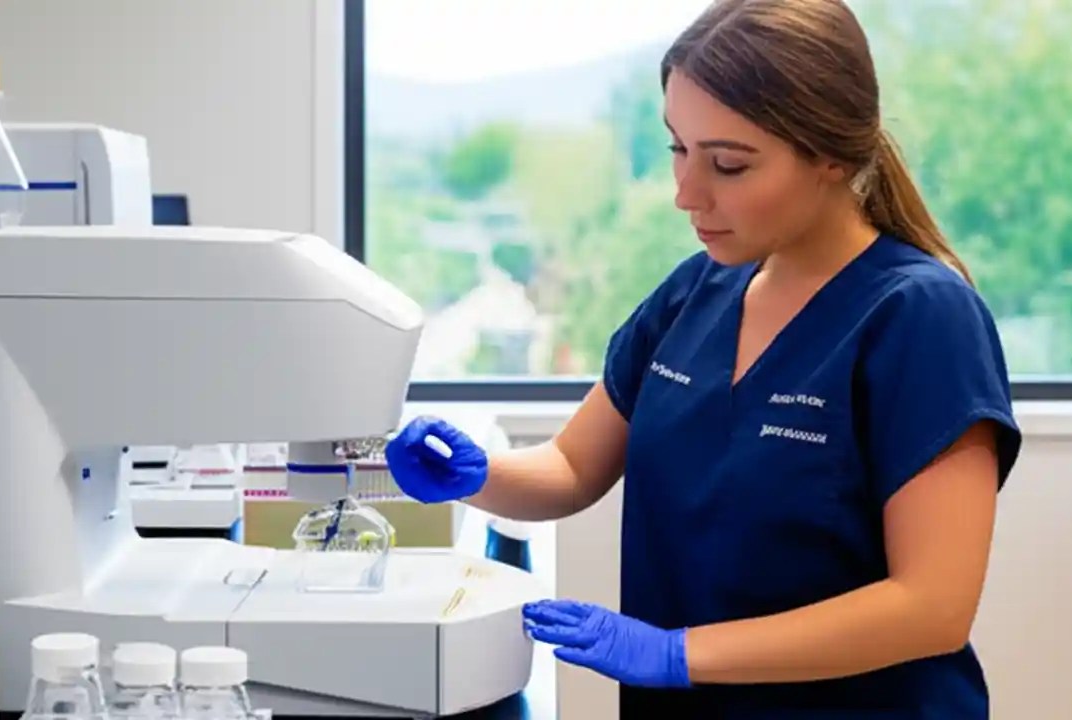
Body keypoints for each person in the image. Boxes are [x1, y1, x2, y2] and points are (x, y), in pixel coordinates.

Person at [384, 0, 1023, 716]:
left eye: (727, 164)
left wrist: (677, 653)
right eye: (678, 150)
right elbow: (570, 469)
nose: (686, 193)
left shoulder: (919, 317)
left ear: (832, 156)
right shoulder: (699, 290)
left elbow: (931, 606)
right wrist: (472, 474)